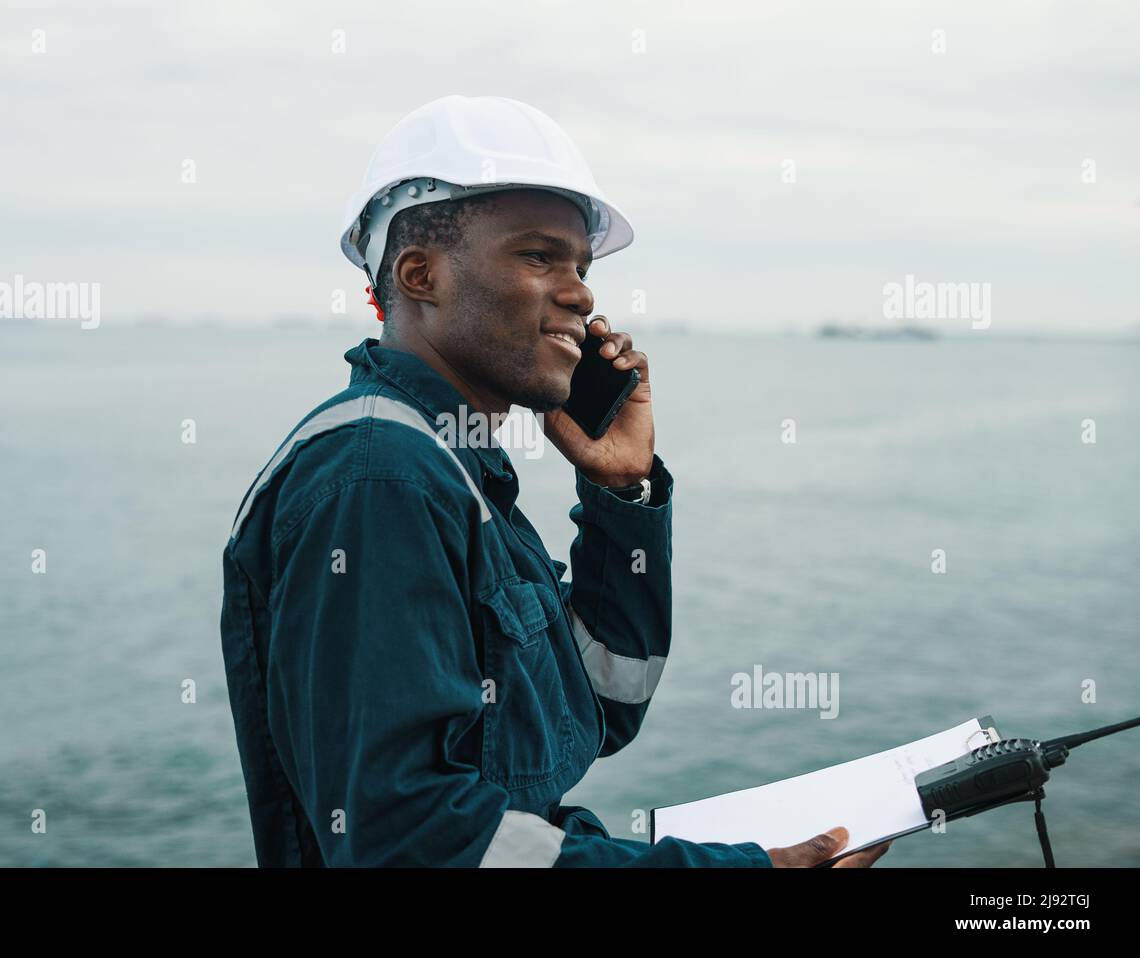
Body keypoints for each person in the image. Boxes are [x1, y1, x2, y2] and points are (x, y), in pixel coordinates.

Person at [219, 94, 890, 868]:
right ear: (419, 275)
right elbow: (408, 838)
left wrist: (620, 494)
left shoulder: (455, 469)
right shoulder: (378, 479)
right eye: (539, 257)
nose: (581, 293)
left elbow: (600, 707)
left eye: (581, 265)